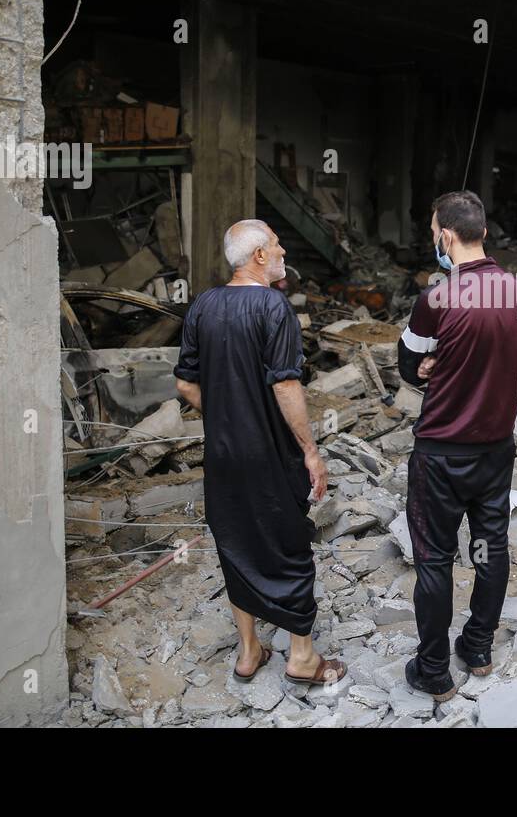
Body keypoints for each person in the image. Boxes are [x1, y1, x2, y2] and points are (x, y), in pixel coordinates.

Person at [173, 219, 346, 687]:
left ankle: (249, 652)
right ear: (258, 257)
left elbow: (186, 383)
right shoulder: (273, 307)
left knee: (236, 544)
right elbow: (286, 383)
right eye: (275, 243)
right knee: (289, 544)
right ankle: (302, 658)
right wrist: (310, 450)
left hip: (223, 457)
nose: (283, 248)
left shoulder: (203, 305)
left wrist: (228, 411)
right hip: (269, 455)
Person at [396, 191, 517, 700]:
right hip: (495, 449)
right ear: (484, 234)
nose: (434, 240)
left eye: (434, 233)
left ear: (447, 237)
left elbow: (409, 369)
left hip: (441, 453)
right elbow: (500, 358)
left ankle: (432, 671)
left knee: (434, 559)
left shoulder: (437, 298)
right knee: (489, 548)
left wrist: (436, 364)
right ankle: (477, 647)